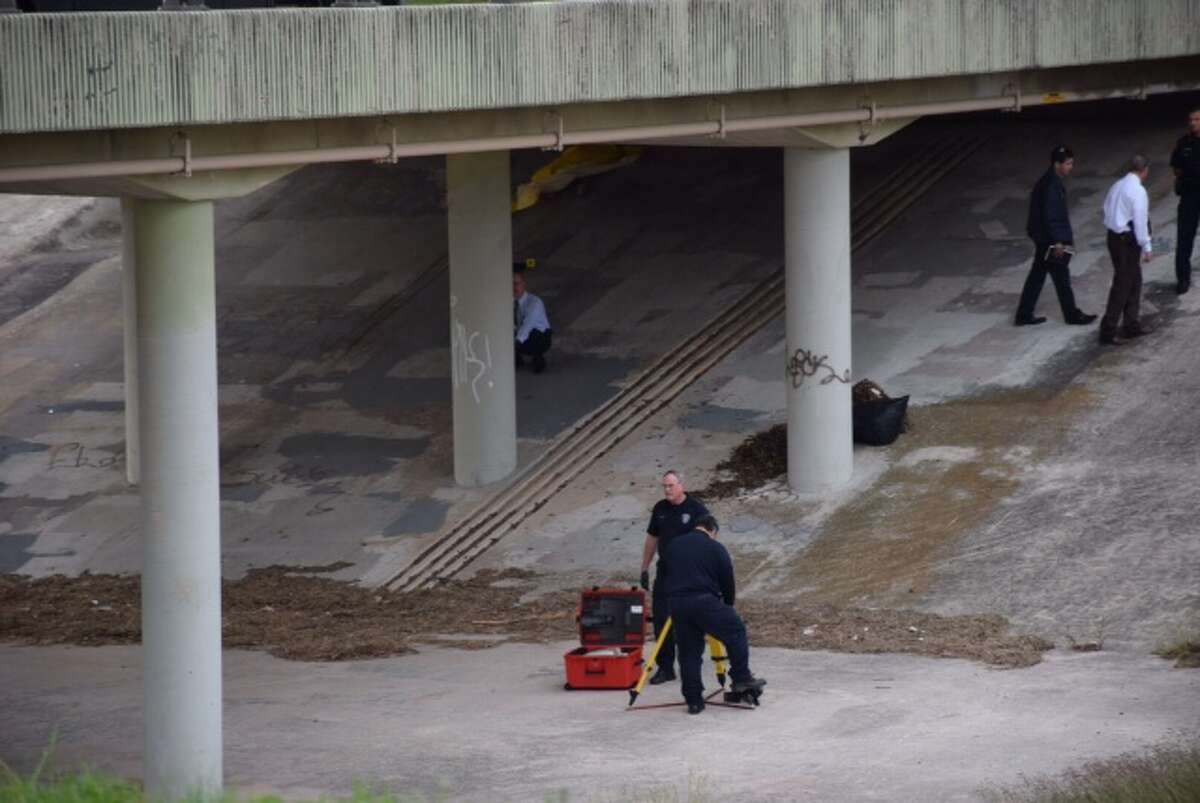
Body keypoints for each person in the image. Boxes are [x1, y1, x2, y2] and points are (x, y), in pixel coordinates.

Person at [662, 514, 765, 715]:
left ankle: (694, 701)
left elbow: (665, 574)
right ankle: (741, 677)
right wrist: (727, 605)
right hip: (704, 601)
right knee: (735, 631)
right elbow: (727, 581)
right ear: (712, 530)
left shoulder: (673, 545)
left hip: (677, 603)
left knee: (689, 653)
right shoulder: (715, 547)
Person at [638, 470, 709, 686]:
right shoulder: (660, 509)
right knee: (661, 618)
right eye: (664, 486)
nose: (667, 490)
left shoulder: (696, 509)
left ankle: (691, 664)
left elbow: (709, 536)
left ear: (681, 486)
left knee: (687, 619)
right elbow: (652, 538)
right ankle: (666, 667)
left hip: (688, 573)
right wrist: (644, 567)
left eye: (671, 485)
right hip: (665, 571)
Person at [1014, 146, 1097, 327]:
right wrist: (1058, 241)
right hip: (1050, 241)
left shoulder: (1048, 181)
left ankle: (1024, 313)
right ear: (1057, 164)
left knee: (1037, 275)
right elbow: (1051, 216)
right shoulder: (1051, 186)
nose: (1070, 167)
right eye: (1067, 164)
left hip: (1043, 238)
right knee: (1061, 278)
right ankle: (1072, 315)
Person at [1099, 155, 1155, 346]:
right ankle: (1108, 330)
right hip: (1126, 242)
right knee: (1123, 285)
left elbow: (1105, 208)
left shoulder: (1117, 185)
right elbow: (1140, 221)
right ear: (1144, 170)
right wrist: (1146, 246)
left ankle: (1131, 324)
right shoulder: (1138, 191)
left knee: (1134, 280)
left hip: (1114, 237)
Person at [1170, 107, 1200, 295]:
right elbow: (1176, 168)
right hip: (1190, 195)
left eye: (1196, 119)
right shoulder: (1183, 143)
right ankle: (1183, 278)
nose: (1192, 123)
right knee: (1184, 238)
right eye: (1191, 119)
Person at [513, 267, 552, 374]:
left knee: (532, 334)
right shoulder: (513, 301)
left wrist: (515, 343)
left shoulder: (534, 303)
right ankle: (517, 359)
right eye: (511, 284)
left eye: (517, 283)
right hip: (524, 332)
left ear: (523, 284)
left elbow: (527, 325)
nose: (514, 287)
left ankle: (538, 359)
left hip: (541, 336)